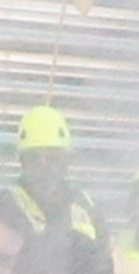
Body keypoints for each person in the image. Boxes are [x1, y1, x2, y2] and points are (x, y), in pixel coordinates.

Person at [6, 104, 98, 245]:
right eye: (34, 158)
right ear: (21, 162)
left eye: (53, 157)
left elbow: (103, 262)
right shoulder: (5, 207)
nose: (44, 167)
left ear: (68, 160)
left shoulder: (86, 207)